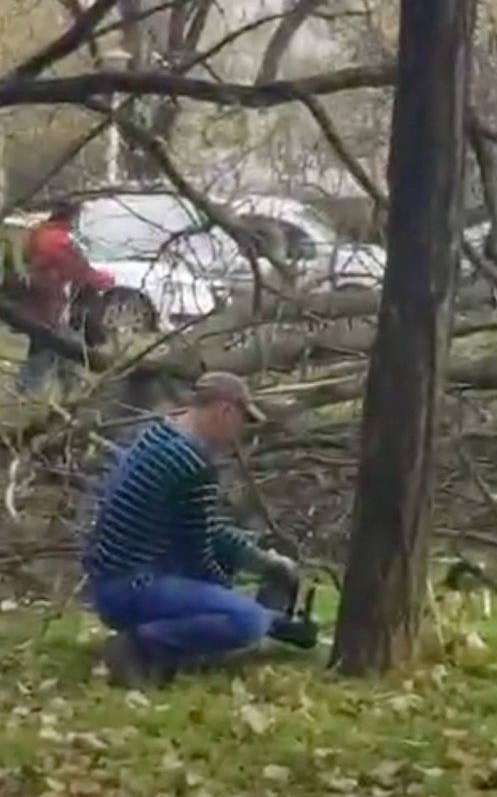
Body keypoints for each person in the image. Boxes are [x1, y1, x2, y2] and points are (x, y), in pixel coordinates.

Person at [83, 371, 311, 687]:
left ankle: (174, 642)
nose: (239, 433)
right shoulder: (191, 462)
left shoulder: (158, 437)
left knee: (234, 597)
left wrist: (251, 557)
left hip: (110, 583)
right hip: (133, 587)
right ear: (225, 411)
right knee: (248, 621)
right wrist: (265, 574)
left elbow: (199, 529)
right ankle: (138, 647)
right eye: (242, 421)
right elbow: (199, 551)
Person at [17, 199, 113, 394]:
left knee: (58, 353)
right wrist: (104, 279)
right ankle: (27, 396)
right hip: (56, 307)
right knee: (51, 352)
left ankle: (64, 396)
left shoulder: (40, 233)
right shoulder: (58, 241)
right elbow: (78, 270)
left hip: (43, 304)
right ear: (72, 215)